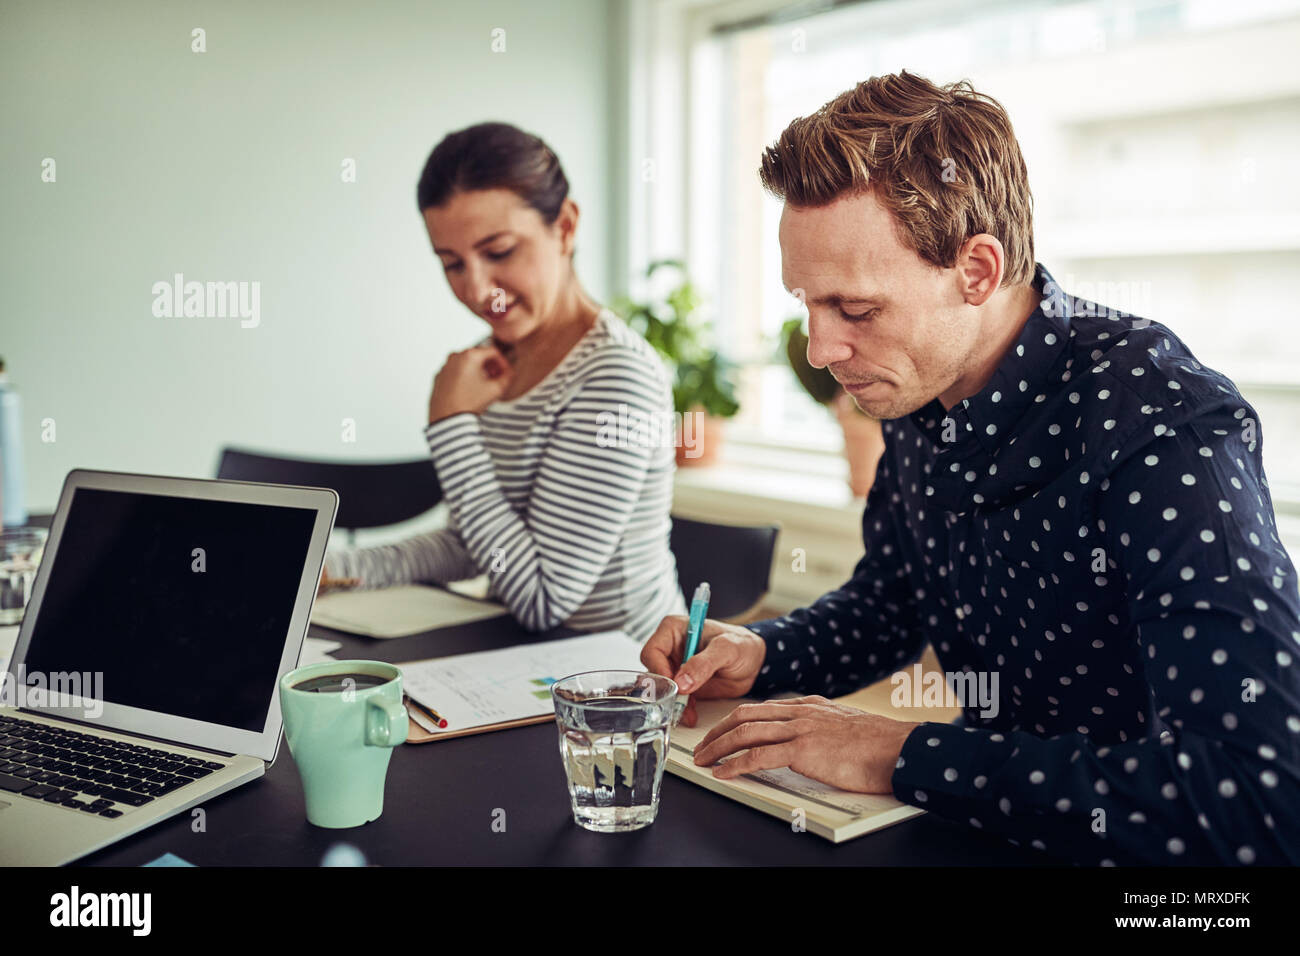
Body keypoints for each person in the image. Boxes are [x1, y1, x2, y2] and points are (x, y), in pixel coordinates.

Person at [642, 71, 1300, 865]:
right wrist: (762, 654)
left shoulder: (1161, 421)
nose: (819, 351)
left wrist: (902, 753)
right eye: (806, 304)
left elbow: (1253, 799)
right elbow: (892, 602)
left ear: (978, 271)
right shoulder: (920, 389)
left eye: (856, 309)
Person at [323, 122, 686, 644]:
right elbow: (479, 541)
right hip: (526, 662)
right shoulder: (496, 360)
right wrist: (332, 569)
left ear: (564, 227)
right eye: (452, 264)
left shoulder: (616, 376)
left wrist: (451, 426)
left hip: (617, 687)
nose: (476, 290)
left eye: (499, 252)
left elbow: (542, 596)